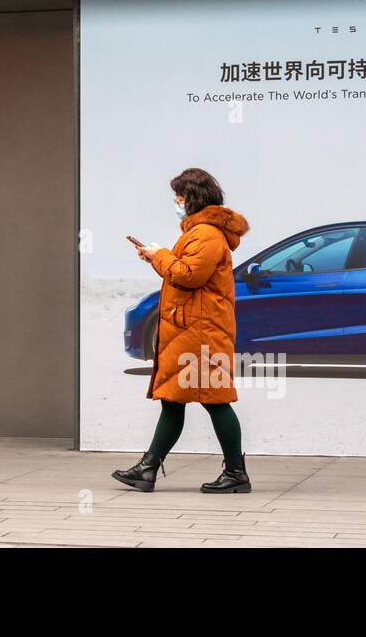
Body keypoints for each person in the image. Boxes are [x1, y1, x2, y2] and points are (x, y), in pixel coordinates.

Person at [112, 168, 251, 493]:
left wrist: (160, 255)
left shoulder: (206, 234)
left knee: (215, 400)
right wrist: (158, 257)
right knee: (173, 400)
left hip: (200, 334)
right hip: (192, 330)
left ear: (194, 197)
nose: (176, 202)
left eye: (179, 196)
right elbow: (186, 270)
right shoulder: (202, 232)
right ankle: (147, 470)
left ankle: (236, 473)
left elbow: (189, 275)